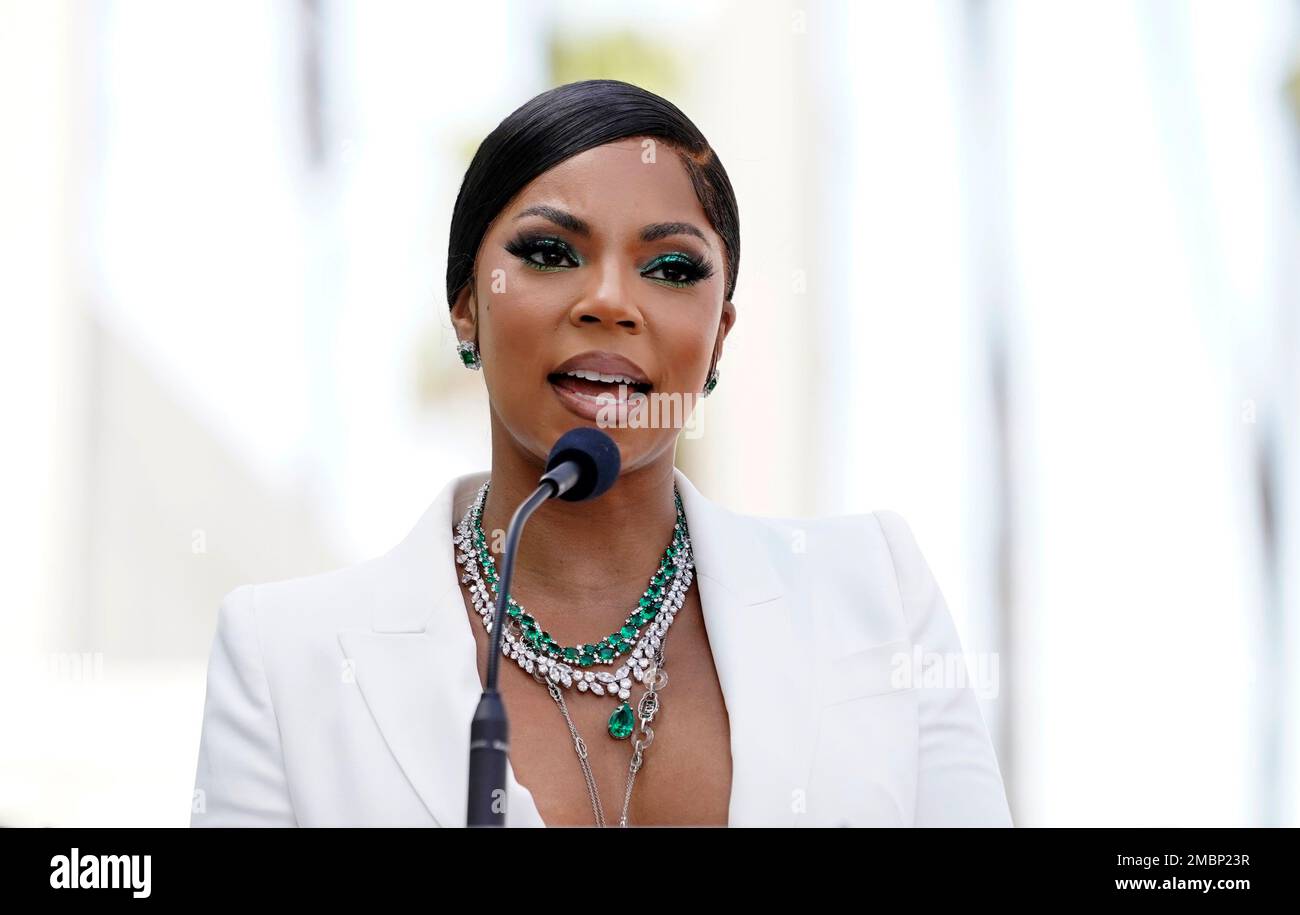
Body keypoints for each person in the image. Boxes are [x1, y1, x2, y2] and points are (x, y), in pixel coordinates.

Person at [190, 78, 1013, 828]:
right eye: (550, 253)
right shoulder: (284, 660)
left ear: (719, 335)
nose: (611, 301)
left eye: (670, 266)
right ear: (467, 306)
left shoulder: (876, 595)